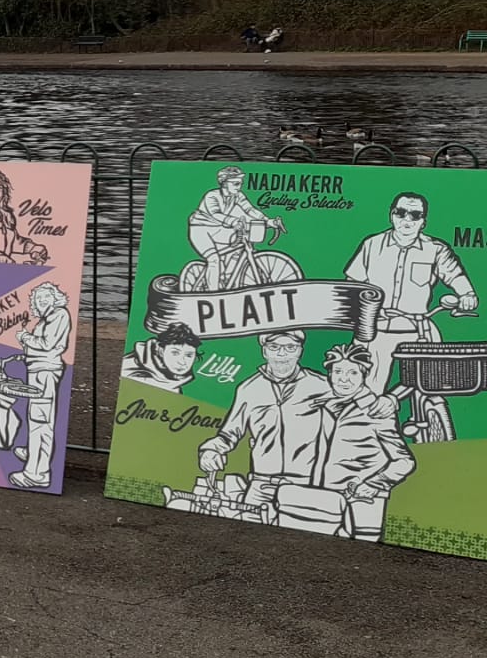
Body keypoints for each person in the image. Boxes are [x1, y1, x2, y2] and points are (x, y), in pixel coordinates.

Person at [344, 191, 478, 439]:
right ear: (391, 215)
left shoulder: (436, 249)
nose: (407, 219)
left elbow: (455, 275)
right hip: (377, 329)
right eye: (401, 212)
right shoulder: (372, 244)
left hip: (417, 329)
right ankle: (369, 441)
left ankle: (432, 427)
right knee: (369, 392)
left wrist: (467, 294)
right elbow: (353, 283)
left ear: (423, 221)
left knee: (431, 381)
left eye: (415, 215)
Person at [277, 342, 414, 542]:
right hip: (326, 497)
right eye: (338, 371)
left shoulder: (376, 412)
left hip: (363, 500)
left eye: (353, 373)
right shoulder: (322, 406)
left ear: (364, 375)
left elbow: (404, 461)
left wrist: (374, 484)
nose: (344, 379)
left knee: (362, 552)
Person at [196, 329, 328, 520]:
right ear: (264, 350)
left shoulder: (322, 386)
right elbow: (229, 434)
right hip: (260, 485)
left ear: (300, 350)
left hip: (304, 485)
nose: (282, 354)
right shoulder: (249, 389)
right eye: (274, 347)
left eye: (290, 347)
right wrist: (210, 450)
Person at [11, 283, 72, 489]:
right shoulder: (47, 318)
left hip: (45, 371)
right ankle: (33, 452)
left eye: (46, 297)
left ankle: (37, 473)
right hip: (39, 369)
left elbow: (46, 344)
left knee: (40, 420)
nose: (41, 301)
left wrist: (24, 337)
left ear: (55, 298)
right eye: (38, 298)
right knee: (37, 415)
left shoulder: (59, 315)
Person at [188, 167, 280, 292]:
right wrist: (233, 221)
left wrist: (267, 220)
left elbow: (250, 209)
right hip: (200, 229)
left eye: (240, 183)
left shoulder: (237, 195)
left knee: (241, 247)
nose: (239, 187)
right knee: (214, 259)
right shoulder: (212, 196)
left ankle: (227, 276)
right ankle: (213, 293)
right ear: (224, 183)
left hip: (218, 228)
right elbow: (216, 214)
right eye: (236, 183)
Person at [122, 324, 201, 392]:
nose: (182, 362)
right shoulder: (131, 371)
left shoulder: (176, 379)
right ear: (161, 351)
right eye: (175, 353)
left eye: (189, 355)